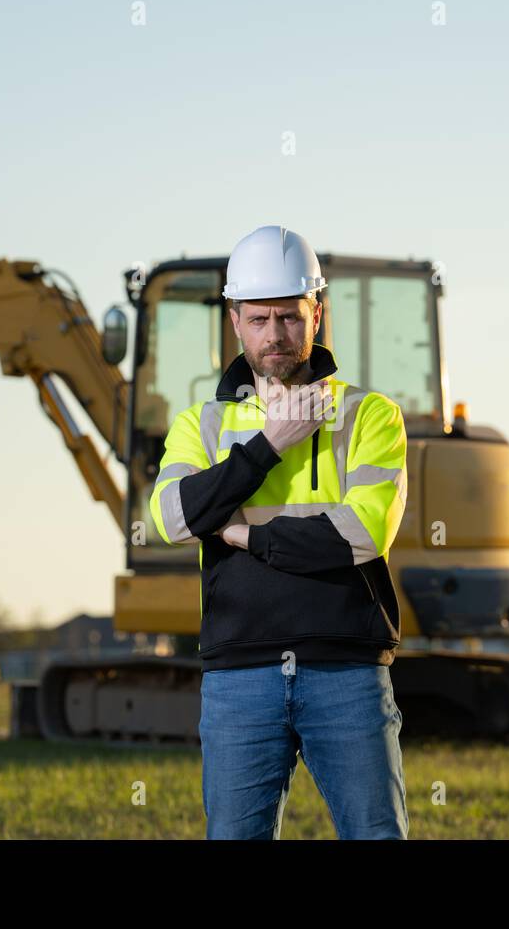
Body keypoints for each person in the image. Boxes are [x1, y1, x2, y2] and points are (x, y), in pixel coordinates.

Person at [149, 224, 410, 839]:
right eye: (260, 319)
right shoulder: (201, 423)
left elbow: (361, 536)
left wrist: (242, 535)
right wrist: (270, 445)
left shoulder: (368, 415)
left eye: (289, 317)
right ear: (235, 319)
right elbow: (174, 518)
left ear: (316, 313)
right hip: (239, 675)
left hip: (345, 669)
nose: (275, 335)